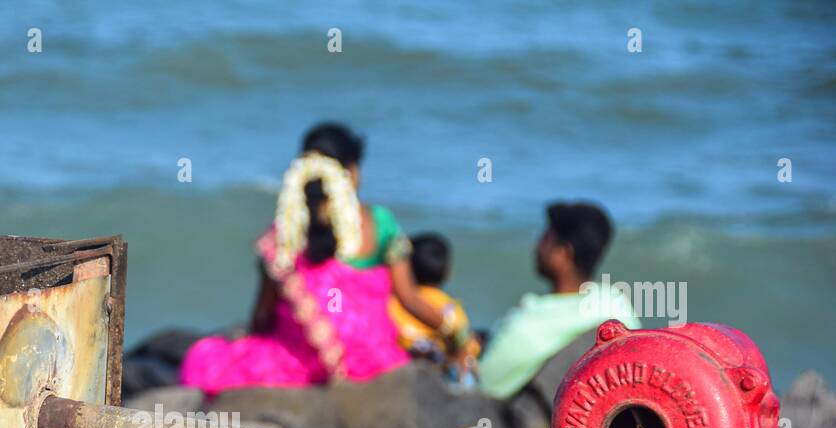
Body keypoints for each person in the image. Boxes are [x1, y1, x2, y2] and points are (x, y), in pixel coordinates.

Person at [179, 123, 451, 397]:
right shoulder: (380, 223)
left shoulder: (285, 232)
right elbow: (409, 298)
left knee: (204, 357)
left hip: (303, 361)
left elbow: (262, 317)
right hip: (376, 359)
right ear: (352, 172)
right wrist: (456, 333)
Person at [479, 201, 639, 401]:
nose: (537, 246)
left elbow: (486, 383)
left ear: (563, 253)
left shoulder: (529, 323)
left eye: (546, 238)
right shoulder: (615, 303)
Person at [388, 232, 478, 369]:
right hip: (435, 370)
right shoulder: (450, 309)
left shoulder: (393, 301)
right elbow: (467, 346)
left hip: (400, 363)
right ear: (448, 272)